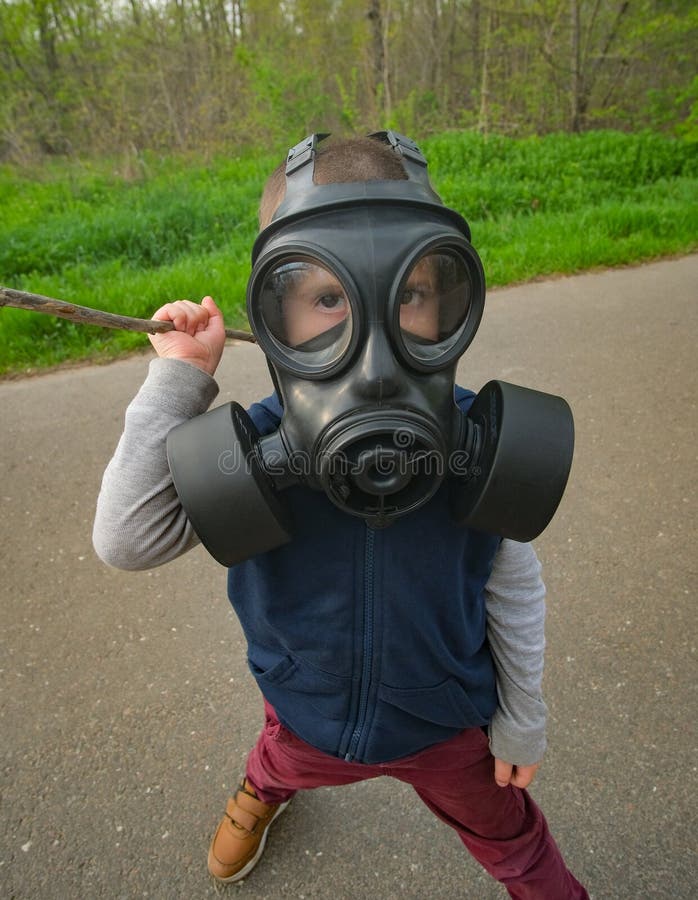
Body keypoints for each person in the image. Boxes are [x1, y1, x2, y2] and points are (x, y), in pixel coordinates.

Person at [93, 132, 588, 898]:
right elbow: (127, 539)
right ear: (275, 310)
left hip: (447, 727)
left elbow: (512, 583)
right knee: (280, 760)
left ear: (450, 299)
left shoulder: (475, 445)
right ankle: (263, 792)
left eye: (411, 294)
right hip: (305, 713)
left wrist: (521, 717)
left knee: (509, 833)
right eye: (328, 298)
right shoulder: (256, 442)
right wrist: (179, 382)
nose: (375, 334)